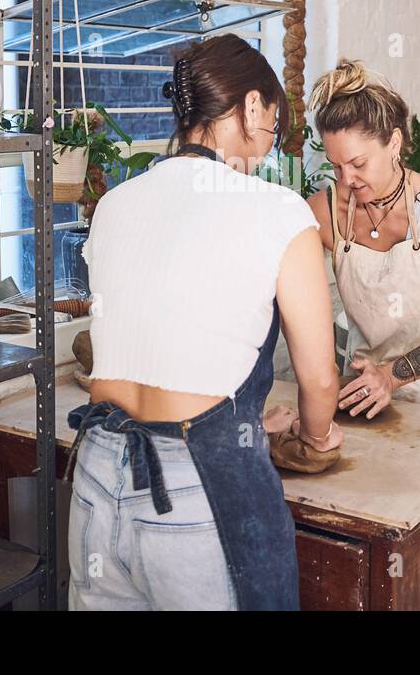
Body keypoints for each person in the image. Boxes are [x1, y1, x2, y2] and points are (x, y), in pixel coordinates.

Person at [68, 34, 342, 611]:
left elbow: (173, 337)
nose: (269, 146)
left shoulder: (116, 204)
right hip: (193, 497)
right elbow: (319, 379)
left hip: (96, 477)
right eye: (271, 124)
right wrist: (314, 440)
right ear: (247, 108)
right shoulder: (278, 210)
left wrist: (244, 422)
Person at [305, 59, 420, 418]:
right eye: (335, 166)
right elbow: (301, 306)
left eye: (358, 164)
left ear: (393, 143)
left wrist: (391, 377)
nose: (346, 180)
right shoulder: (324, 212)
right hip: (365, 389)